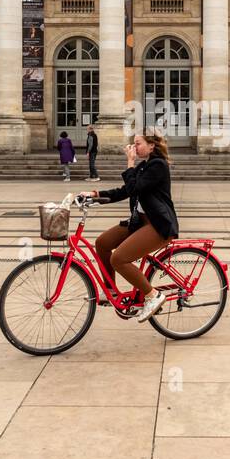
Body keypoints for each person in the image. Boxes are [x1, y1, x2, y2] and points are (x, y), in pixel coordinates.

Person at [85, 134, 178, 321]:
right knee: (102, 243)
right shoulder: (144, 166)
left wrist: (129, 162)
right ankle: (110, 290)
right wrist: (95, 195)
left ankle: (153, 295)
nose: (133, 148)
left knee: (119, 259)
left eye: (137, 144)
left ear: (151, 146)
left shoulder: (158, 166)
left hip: (157, 225)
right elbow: (125, 191)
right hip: (140, 222)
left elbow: (134, 188)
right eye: (133, 145)